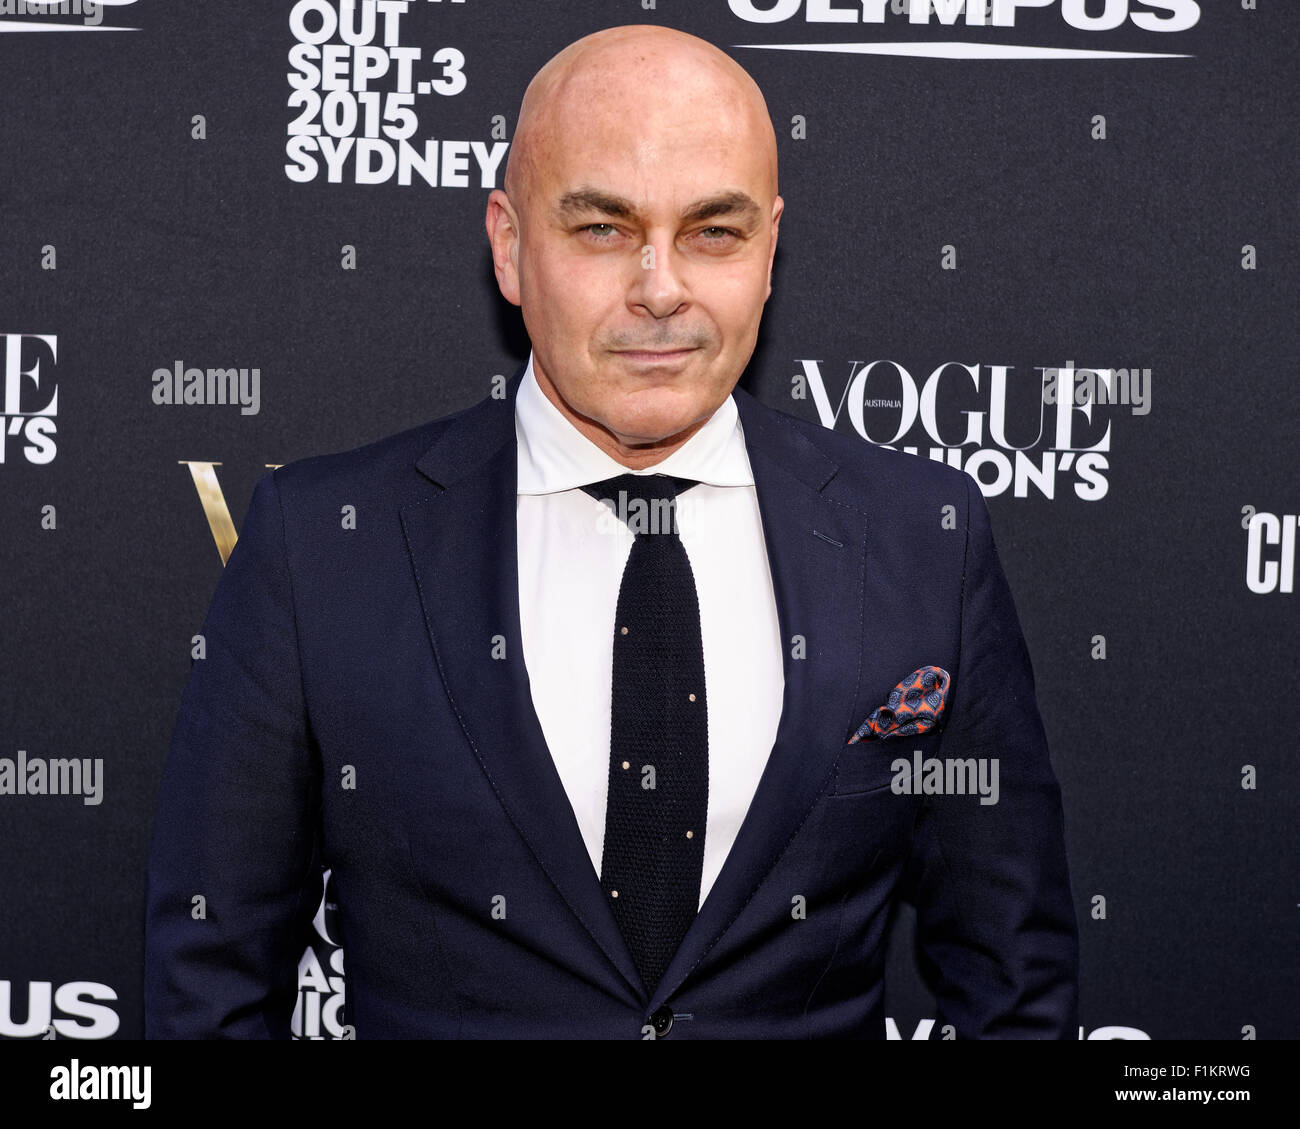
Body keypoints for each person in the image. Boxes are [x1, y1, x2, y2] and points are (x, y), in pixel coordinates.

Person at [145, 24, 1078, 1039]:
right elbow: (212, 979)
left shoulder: (920, 543)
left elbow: (1011, 976)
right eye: (601, 229)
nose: (661, 288)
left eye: (714, 233)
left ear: (769, 248)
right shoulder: (322, 544)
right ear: (508, 245)